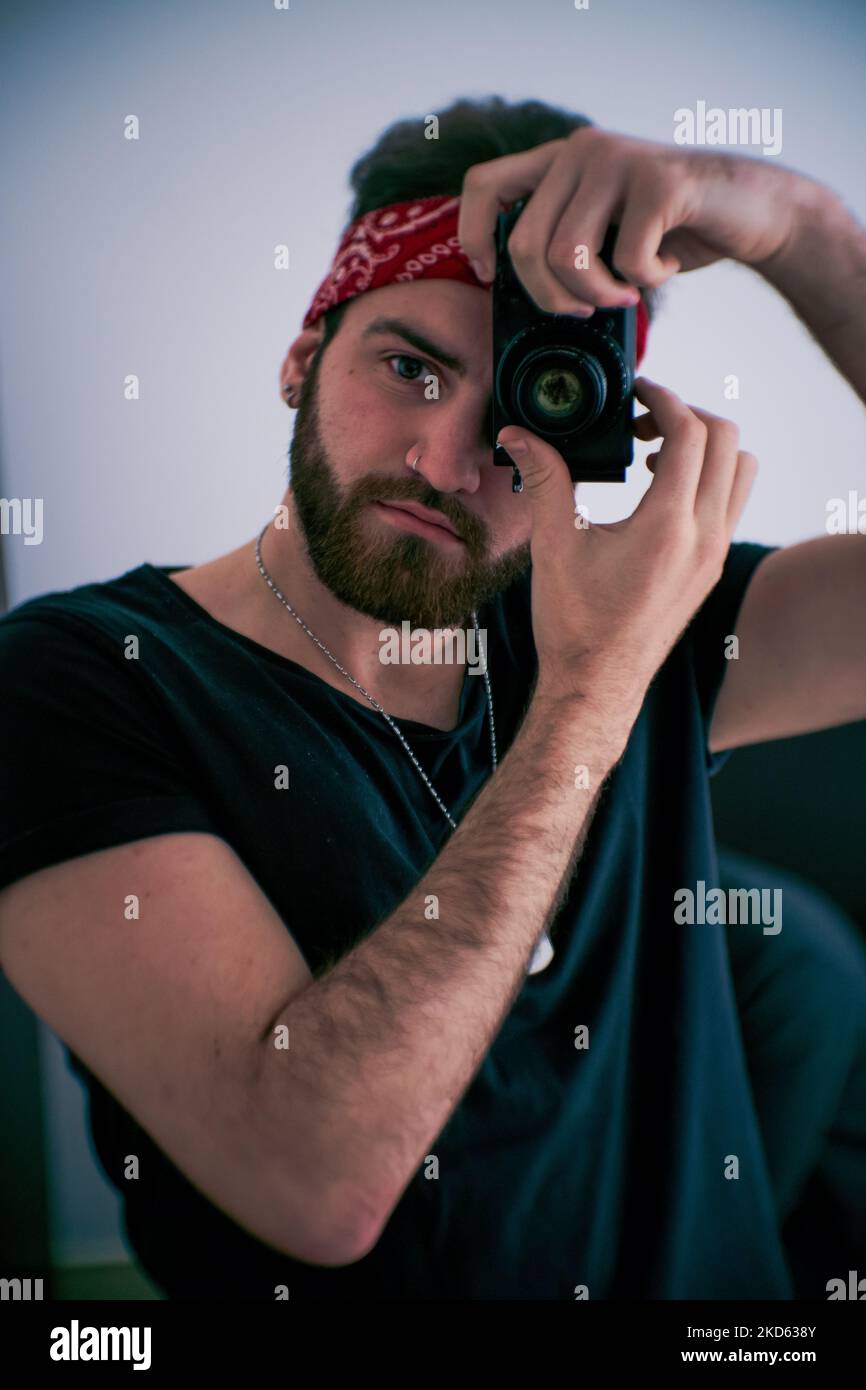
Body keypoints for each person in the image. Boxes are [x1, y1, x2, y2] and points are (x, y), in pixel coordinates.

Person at [1, 96, 865, 1300]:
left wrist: (801, 228)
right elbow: (314, 1180)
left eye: (521, 408)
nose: (444, 458)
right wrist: (589, 697)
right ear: (303, 356)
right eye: (409, 366)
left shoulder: (637, 616)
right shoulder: (78, 678)